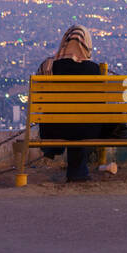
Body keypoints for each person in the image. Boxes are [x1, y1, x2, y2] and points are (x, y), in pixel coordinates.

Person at [36, 25, 114, 182]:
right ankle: (78, 172)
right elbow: (99, 104)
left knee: (67, 121)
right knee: (82, 121)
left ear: (64, 42)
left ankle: (56, 153)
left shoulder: (49, 66)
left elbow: (41, 96)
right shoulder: (94, 69)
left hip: (55, 129)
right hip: (88, 130)